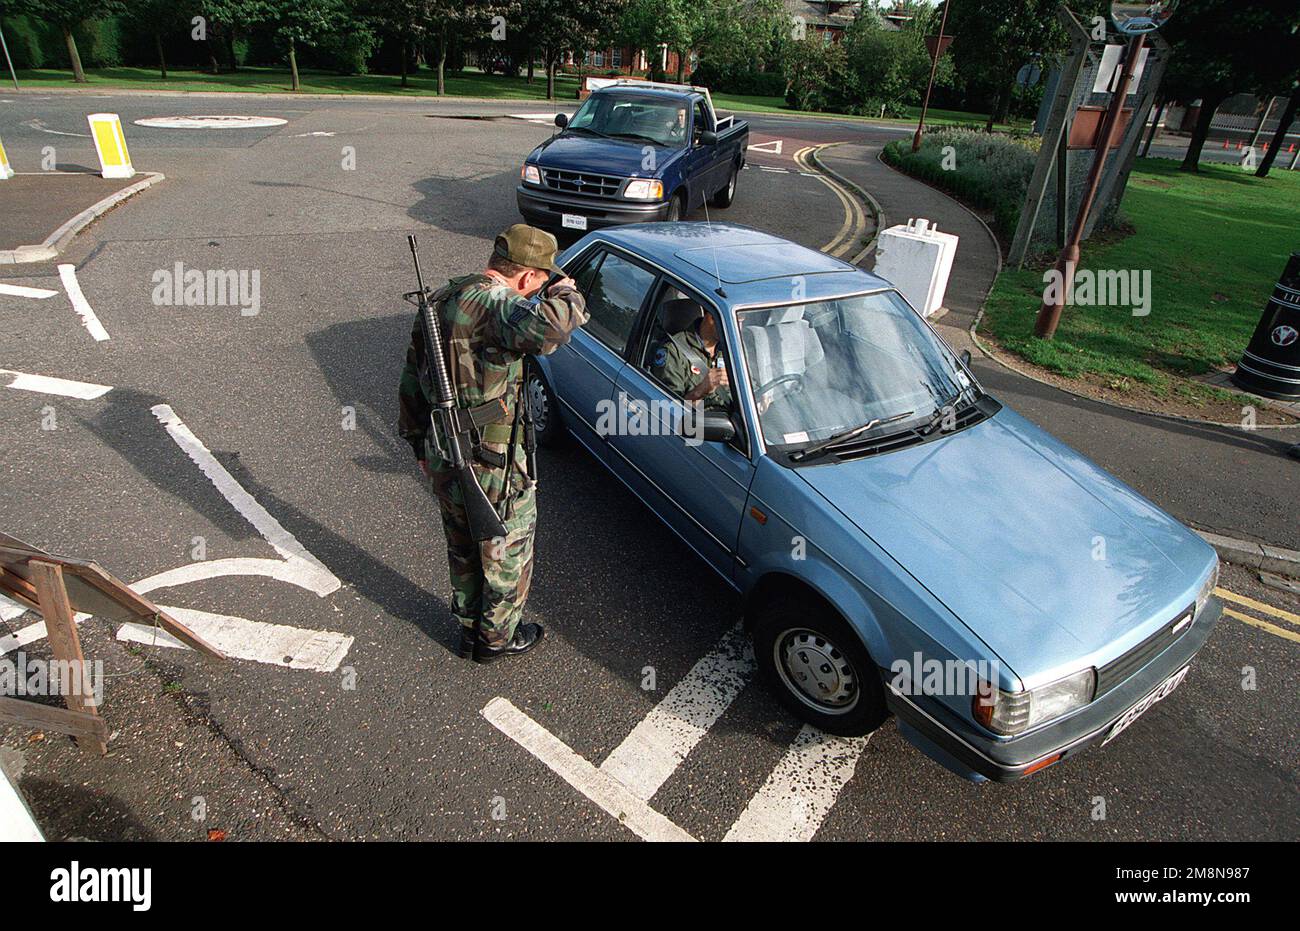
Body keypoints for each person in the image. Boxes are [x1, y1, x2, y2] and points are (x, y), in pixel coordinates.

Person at [398, 224, 588, 664]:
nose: (537, 293)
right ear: (525, 278)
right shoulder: (497, 304)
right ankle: (497, 638)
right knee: (507, 547)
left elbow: (412, 374)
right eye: (539, 284)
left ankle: (469, 630)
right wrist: (568, 293)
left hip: (445, 448)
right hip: (492, 458)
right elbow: (551, 332)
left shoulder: (445, 298)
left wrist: (416, 443)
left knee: (463, 542)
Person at [651, 300, 733, 410]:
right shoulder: (674, 352)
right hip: (699, 424)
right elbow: (670, 412)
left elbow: (752, 388)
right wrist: (700, 391)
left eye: (741, 322)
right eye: (734, 321)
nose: (739, 327)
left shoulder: (732, 351)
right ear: (712, 318)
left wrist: (761, 402)